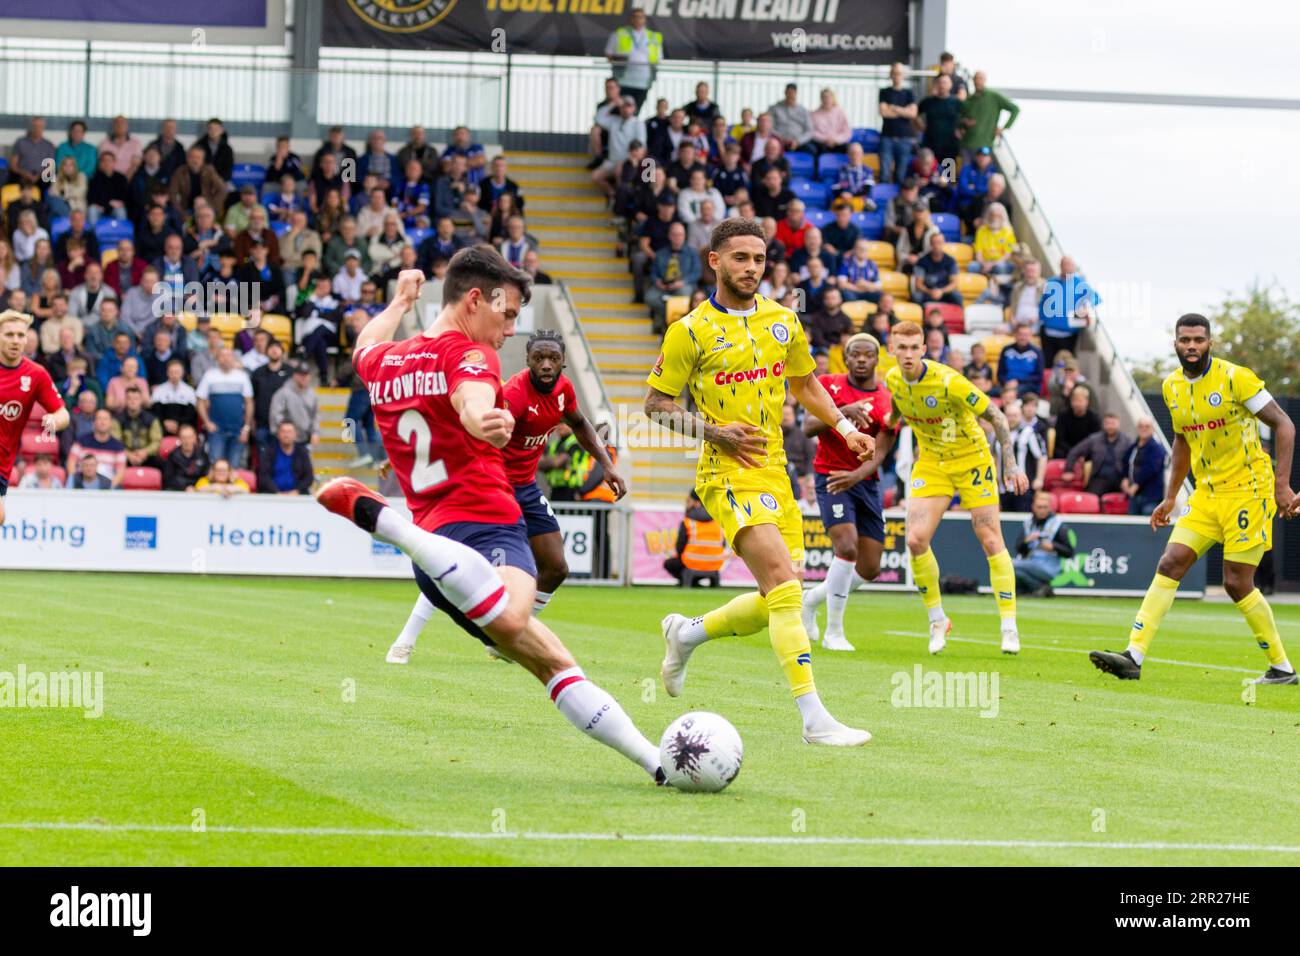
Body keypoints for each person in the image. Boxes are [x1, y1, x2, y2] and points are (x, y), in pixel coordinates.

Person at [316, 253, 671, 786]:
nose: (511, 330)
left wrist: (399, 302)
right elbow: (471, 396)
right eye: (507, 315)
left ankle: (658, 765)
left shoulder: (387, 362)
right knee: (510, 618)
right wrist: (482, 418)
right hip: (486, 528)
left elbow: (364, 347)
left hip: (440, 556)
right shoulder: (473, 354)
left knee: (551, 660)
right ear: (474, 300)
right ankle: (392, 529)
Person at [646, 217, 875, 746]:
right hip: (725, 470)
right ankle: (814, 720)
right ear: (715, 261)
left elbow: (804, 383)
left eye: (759, 258)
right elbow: (656, 406)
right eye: (740, 258)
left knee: (778, 593)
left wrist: (843, 426)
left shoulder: (782, 321)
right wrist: (713, 432)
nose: (751, 268)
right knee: (787, 589)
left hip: (776, 470)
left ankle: (688, 633)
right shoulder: (689, 330)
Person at [386, 329, 625, 663]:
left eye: (552, 358)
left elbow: (581, 422)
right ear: (527, 360)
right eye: (538, 358)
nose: (545, 364)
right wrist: (410, 451)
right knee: (455, 560)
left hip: (525, 487)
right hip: (491, 485)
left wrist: (606, 464)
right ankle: (405, 640)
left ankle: (509, 639)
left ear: (563, 363)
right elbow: (466, 425)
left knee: (556, 568)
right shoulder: (512, 395)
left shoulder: (563, 391)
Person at [1091, 314, 1299, 685]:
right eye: (1185, 340)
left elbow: (1284, 424)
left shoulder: (1236, 378)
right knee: (1170, 563)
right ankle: (1133, 656)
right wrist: (1170, 497)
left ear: (1209, 344)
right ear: (1175, 343)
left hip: (1248, 491)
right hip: (1206, 494)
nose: (1191, 346)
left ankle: (1281, 667)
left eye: (1198, 340)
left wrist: (1282, 487)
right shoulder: (1172, 387)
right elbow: (1182, 440)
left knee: (1236, 582)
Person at [886, 320, 1029, 655]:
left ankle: (1009, 626)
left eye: (913, 348)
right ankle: (937, 620)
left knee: (990, 538)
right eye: (901, 348)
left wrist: (1009, 462)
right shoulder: (893, 380)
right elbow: (896, 408)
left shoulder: (949, 381)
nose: (907, 355)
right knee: (915, 540)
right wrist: (884, 422)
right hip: (933, 463)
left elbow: (997, 416)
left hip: (972, 458)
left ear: (924, 349)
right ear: (892, 349)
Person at [800, 334, 896, 650]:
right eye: (855, 354)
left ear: (877, 359)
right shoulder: (828, 384)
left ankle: (811, 599)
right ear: (847, 355)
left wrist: (856, 475)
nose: (861, 360)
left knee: (869, 568)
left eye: (868, 355)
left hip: (862, 481)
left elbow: (880, 454)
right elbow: (808, 427)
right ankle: (834, 633)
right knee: (847, 547)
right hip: (831, 476)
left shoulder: (886, 399)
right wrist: (844, 410)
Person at [0, 310, 69, 521]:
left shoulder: (35, 374)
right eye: (9, 334)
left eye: (20, 335)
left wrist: (54, 420)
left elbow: (62, 413)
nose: (15, 340)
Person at [195, 347, 253, 466]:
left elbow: (249, 403)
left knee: (234, 467)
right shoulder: (210, 375)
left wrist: (246, 427)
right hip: (217, 430)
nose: (226, 359)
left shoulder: (242, 376)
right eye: (222, 355)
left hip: (238, 429)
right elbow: (200, 401)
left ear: (233, 358)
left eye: (228, 355)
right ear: (217, 359)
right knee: (215, 465)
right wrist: (207, 422)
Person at [1038, 255, 1100, 367]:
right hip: (1048, 332)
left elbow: (1095, 298)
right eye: (1064, 264)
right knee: (1047, 365)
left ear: (1074, 267)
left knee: (1065, 366)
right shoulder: (1051, 282)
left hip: (1067, 334)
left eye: (1069, 265)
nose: (1066, 267)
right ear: (1060, 266)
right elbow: (1042, 302)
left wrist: (1086, 307)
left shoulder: (1079, 283)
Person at [1013, 491, 1076, 597]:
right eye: (1039, 507)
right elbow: (1018, 549)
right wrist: (1026, 541)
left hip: (1049, 568)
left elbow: (1069, 552)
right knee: (1015, 573)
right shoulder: (1029, 524)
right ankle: (1040, 588)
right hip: (1030, 563)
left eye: (1045, 507)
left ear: (1050, 508)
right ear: (1033, 507)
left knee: (1010, 564)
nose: (1042, 510)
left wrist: (1053, 547)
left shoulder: (1058, 526)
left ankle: (1036, 588)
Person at [603, 8, 661, 112]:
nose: (638, 19)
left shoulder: (653, 36)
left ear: (645, 20)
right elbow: (608, 54)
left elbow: (658, 58)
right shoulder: (619, 34)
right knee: (619, 111)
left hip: (643, 82)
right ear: (631, 19)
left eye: (641, 17)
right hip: (623, 80)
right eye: (635, 17)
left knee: (634, 112)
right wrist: (622, 59)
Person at [663, 489, 725, 585]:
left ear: (697, 503)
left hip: (691, 564)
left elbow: (680, 546)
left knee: (669, 563)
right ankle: (694, 583)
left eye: (688, 501)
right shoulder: (717, 520)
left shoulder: (688, 522)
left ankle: (690, 582)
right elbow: (723, 544)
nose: (686, 504)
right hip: (715, 564)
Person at [1064, 412, 1132, 497]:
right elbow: (1074, 451)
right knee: (1089, 500)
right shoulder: (1094, 439)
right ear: (1103, 424)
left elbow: (1135, 460)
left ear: (1118, 424)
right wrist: (1069, 470)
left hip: (1120, 479)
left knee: (1132, 497)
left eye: (1113, 423)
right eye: (1107, 423)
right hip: (1099, 478)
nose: (1110, 426)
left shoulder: (1127, 441)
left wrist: (1127, 478)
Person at [958, 71, 1020, 161]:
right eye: (976, 79)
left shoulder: (993, 96)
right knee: (965, 172)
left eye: (981, 79)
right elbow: (959, 119)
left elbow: (1015, 109)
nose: (978, 81)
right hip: (966, 144)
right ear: (973, 80)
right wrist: (963, 122)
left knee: (983, 173)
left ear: (985, 80)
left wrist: (1004, 128)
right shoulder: (969, 99)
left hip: (984, 144)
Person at [1002, 400, 1046, 512]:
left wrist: (1039, 479)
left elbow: (1041, 456)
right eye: (1009, 415)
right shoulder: (998, 434)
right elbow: (995, 456)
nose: (1011, 418)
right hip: (1002, 488)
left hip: (1023, 488)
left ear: (1021, 416)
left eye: (1015, 415)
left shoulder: (1029, 433)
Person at [878, 63, 918, 184]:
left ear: (903, 75)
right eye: (894, 73)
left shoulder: (909, 93)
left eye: (899, 73)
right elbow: (884, 112)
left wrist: (894, 108)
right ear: (890, 75)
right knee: (884, 173)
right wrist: (904, 110)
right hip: (887, 137)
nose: (896, 76)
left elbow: (913, 114)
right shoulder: (884, 92)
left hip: (904, 138)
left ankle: (899, 201)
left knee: (901, 175)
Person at [1123, 416, 1167, 516]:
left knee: (1147, 527)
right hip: (1134, 496)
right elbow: (1125, 462)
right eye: (1141, 426)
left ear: (1153, 429)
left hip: (1150, 498)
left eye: (1147, 426)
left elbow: (1151, 468)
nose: (1144, 429)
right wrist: (1125, 478)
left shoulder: (1157, 448)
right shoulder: (1133, 447)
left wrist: (1137, 484)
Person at [916, 73, 962, 166]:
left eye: (945, 82)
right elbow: (914, 114)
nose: (942, 85)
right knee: (931, 177)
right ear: (936, 85)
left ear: (950, 85)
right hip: (930, 145)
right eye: (940, 82)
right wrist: (921, 127)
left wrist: (961, 130)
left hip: (950, 146)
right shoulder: (927, 101)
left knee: (949, 178)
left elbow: (966, 118)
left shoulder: (957, 102)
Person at [257, 419, 314, 496]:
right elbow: (263, 476)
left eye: (289, 432)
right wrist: (276, 492)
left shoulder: (302, 452)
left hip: (297, 497)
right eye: (283, 432)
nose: (286, 435)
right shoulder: (269, 452)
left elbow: (309, 477)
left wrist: (297, 491)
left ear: (295, 434)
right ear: (278, 434)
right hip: (272, 496)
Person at [1051, 383, 1101, 459]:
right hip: (1067, 450)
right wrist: (1073, 452)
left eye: (1080, 401)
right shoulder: (1063, 415)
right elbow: (1059, 439)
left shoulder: (1094, 417)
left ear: (1087, 402)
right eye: (1075, 400)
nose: (1077, 404)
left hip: (1086, 451)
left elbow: (1095, 440)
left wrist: (1081, 453)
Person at [997, 323, 1045, 396]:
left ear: (1031, 336)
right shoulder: (1006, 350)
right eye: (1020, 334)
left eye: (1026, 335)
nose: (1023, 338)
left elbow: (1039, 376)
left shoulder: (1037, 352)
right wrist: (1006, 382)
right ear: (1015, 335)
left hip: (1028, 386)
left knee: (1012, 393)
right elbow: (1000, 373)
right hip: (1007, 384)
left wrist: (1018, 381)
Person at [163, 422, 210, 491]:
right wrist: (184, 488)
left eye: (190, 437)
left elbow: (207, 475)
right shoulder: (173, 456)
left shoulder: (203, 455)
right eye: (184, 437)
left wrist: (197, 487)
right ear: (179, 439)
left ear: (195, 438)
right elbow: (168, 479)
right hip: (178, 489)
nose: (187, 441)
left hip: (199, 489)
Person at [769, 84, 813, 153]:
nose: (790, 95)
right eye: (788, 93)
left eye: (793, 93)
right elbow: (769, 127)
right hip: (779, 141)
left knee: (812, 150)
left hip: (799, 142)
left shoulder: (803, 110)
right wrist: (781, 139)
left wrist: (798, 141)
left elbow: (809, 130)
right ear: (785, 92)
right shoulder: (774, 108)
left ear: (796, 93)